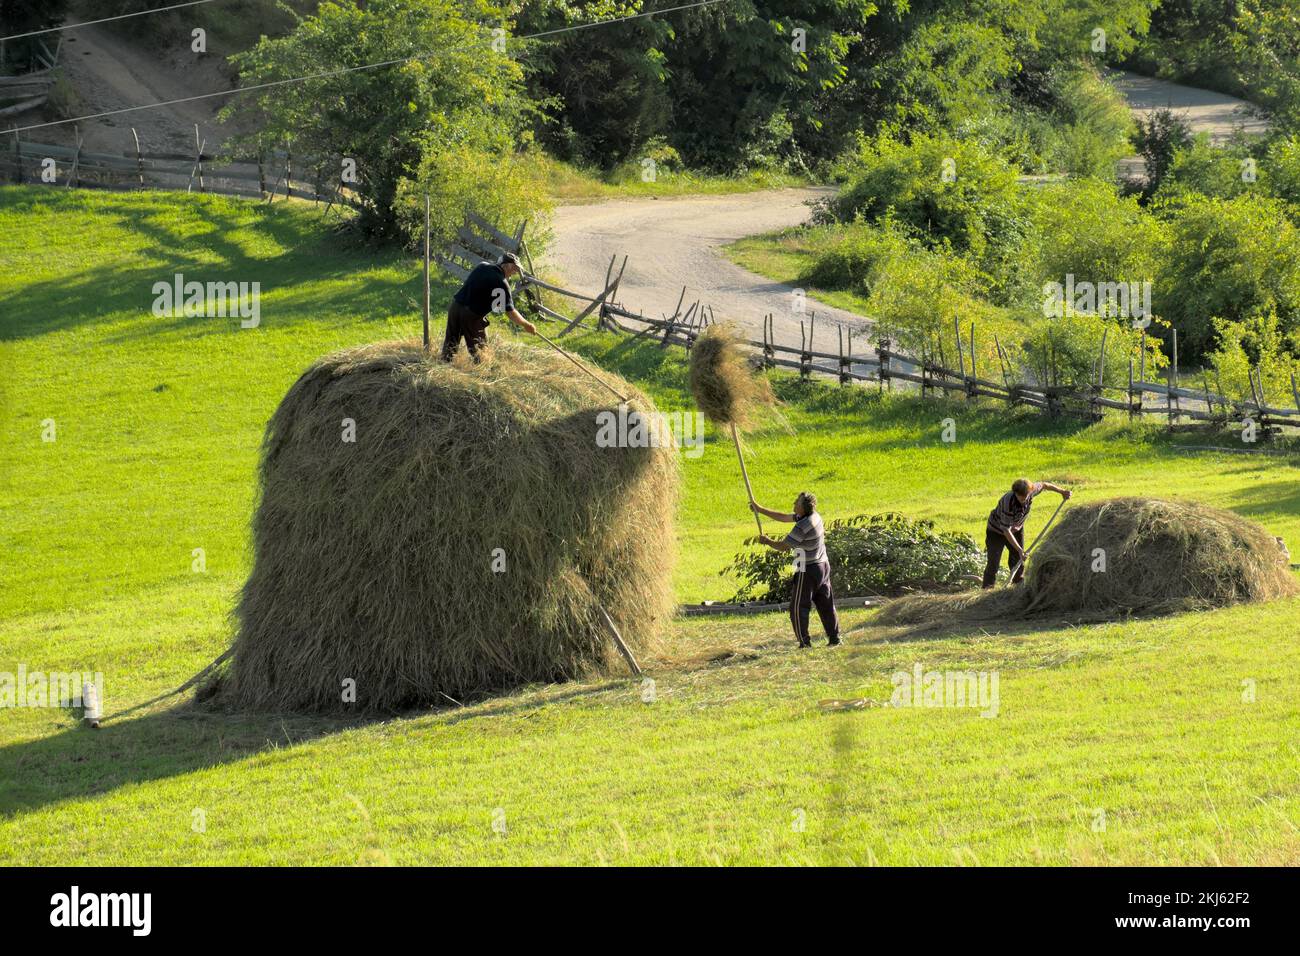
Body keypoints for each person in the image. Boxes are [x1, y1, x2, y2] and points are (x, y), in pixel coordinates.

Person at [751, 492, 841, 649]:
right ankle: (835, 638)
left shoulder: (803, 526)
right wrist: (760, 509)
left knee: (798, 608)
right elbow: (784, 517)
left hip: (807, 569)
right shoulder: (814, 516)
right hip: (823, 565)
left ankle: (804, 643)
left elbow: (783, 546)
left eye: (796, 503)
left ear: (802, 508)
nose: (793, 504)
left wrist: (767, 541)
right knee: (826, 604)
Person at [443, 252, 536, 361]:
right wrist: (526, 324)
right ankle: (483, 375)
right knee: (481, 351)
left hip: (455, 307)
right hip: (471, 315)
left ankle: (444, 365)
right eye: (515, 268)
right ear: (507, 265)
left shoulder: (482, 266)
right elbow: (509, 311)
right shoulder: (502, 282)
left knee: (450, 345)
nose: (515, 272)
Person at [983, 478, 1071, 588]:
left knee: (1018, 559)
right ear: (1015, 493)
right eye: (1021, 497)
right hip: (996, 531)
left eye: (1026, 496)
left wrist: (1062, 492)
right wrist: (1020, 549)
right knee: (993, 563)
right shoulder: (1007, 502)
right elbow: (1006, 530)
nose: (1024, 499)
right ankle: (987, 589)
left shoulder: (1031, 490)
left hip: (1016, 529)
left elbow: (1044, 485)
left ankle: (1018, 586)